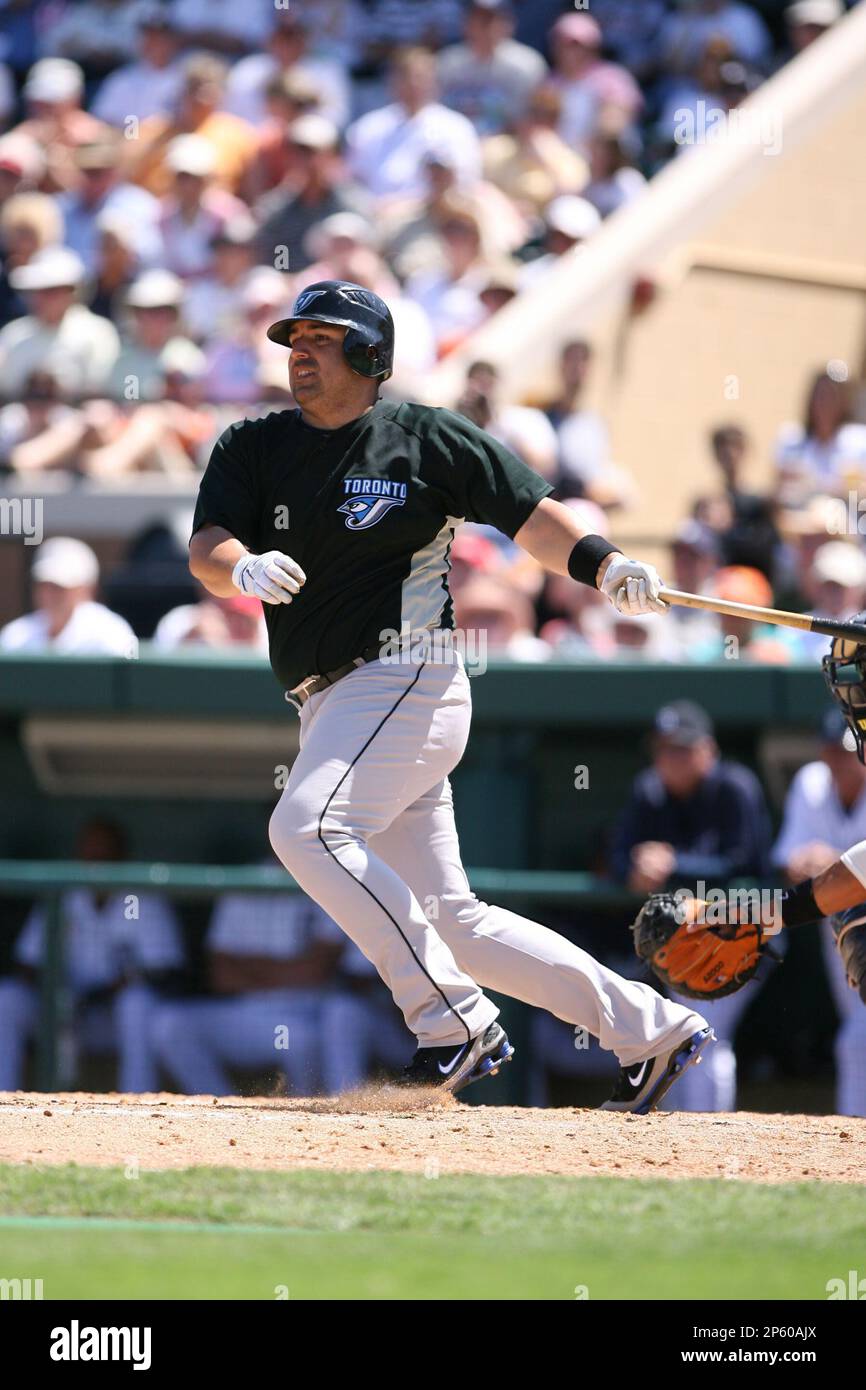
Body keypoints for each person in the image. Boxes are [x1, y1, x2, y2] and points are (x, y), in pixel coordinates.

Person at [187, 277, 714, 1112]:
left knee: (306, 827)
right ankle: (651, 1029)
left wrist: (606, 563)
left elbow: (529, 513)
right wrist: (239, 568)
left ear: (371, 354)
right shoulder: (252, 445)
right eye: (295, 340)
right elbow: (207, 544)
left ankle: (451, 1024)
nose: (301, 354)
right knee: (453, 919)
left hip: (406, 673)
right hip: (329, 703)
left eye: (322, 340)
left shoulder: (424, 437)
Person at [610, 700, 773, 1110]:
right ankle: (684, 1137)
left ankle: (708, 1133)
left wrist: (673, 863)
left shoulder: (735, 786)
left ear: (708, 750)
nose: (670, 759)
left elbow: (747, 863)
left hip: (740, 932)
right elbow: (615, 856)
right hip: (677, 938)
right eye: (664, 749)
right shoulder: (648, 789)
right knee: (685, 1032)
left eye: (681, 749)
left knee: (706, 1031)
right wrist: (634, 867)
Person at [0, 819, 184, 1092]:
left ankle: (138, 1100)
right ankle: (5, 1096)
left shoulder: (141, 897)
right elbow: (27, 963)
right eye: (90, 854)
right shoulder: (63, 894)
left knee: (136, 1003)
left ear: (122, 857)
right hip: (63, 1013)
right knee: (9, 997)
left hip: (113, 1019)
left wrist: (104, 993)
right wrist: (59, 995)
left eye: (105, 855)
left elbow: (165, 970)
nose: (96, 862)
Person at [151, 876, 344, 1096]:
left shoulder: (329, 876)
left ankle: (307, 1118)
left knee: (303, 1040)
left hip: (308, 1013)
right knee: (170, 1024)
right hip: (249, 1013)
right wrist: (293, 968)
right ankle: (220, 1109)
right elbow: (222, 975)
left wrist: (250, 967)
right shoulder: (248, 878)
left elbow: (316, 971)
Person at [772, 708, 866, 1117]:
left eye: (849, 752)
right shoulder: (812, 783)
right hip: (840, 917)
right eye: (834, 751)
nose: (842, 761)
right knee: (857, 1037)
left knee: (858, 1039)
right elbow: (791, 857)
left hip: (844, 909)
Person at [345, 47, 482, 202]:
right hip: (373, 215)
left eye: (420, 77)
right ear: (392, 81)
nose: (413, 84)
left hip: (433, 217)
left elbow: (464, 185)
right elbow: (354, 184)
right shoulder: (367, 127)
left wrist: (406, 208)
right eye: (404, 76)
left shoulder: (456, 128)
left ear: (434, 82)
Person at [0, 247, 120, 398]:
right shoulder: (13, 335)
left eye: (51, 291)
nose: (41, 298)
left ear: (71, 292)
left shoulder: (98, 333)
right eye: (36, 291)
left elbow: (101, 391)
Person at [0, 537, 138, 656]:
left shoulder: (112, 633)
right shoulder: (16, 635)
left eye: (60, 587)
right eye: (44, 585)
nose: (49, 594)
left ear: (87, 589)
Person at [437, 0, 547, 136]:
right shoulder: (448, 62)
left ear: (509, 24)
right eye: (480, 20)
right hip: (455, 141)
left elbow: (530, 120)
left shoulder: (526, 65)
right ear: (466, 24)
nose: (488, 27)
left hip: (509, 142)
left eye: (493, 20)